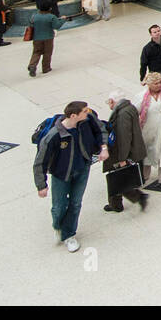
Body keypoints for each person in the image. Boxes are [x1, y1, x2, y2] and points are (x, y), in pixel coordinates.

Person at [34, 100, 108, 253]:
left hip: (82, 169)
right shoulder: (54, 135)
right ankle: (58, 226)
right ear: (74, 115)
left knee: (75, 203)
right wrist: (41, 185)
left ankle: (69, 234)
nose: (88, 113)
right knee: (59, 206)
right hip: (61, 174)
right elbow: (40, 161)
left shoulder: (87, 120)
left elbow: (101, 130)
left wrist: (104, 147)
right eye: (84, 111)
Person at [102, 89, 149, 213]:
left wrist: (122, 158)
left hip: (122, 152)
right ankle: (117, 203)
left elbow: (124, 137)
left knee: (116, 177)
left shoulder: (122, 114)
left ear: (112, 101)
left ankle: (122, 202)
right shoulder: (129, 108)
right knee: (119, 178)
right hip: (131, 149)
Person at [26, 3, 66, 77]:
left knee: (36, 52)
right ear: (49, 9)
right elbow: (57, 26)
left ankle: (32, 65)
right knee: (47, 53)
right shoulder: (51, 17)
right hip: (48, 37)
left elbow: (31, 25)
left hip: (37, 38)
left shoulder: (34, 16)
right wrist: (63, 20)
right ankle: (46, 68)